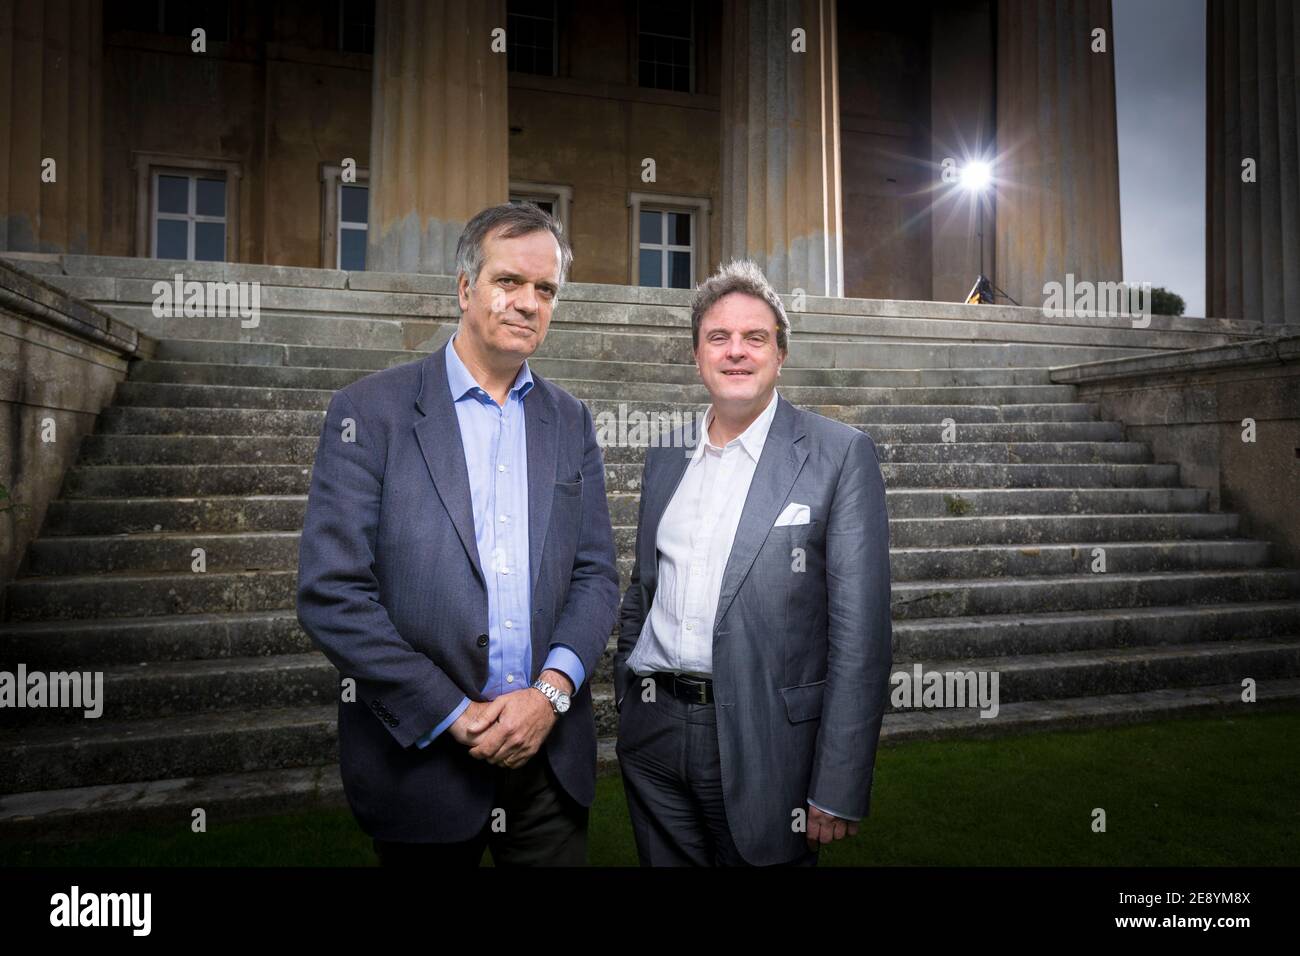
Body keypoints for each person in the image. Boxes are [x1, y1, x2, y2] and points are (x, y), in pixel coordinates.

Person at [297, 202, 619, 866]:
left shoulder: (571, 421)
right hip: (423, 761)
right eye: (510, 282)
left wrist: (549, 693)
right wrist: (455, 712)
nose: (529, 303)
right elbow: (332, 592)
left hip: (548, 762)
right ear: (466, 288)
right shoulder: (369, 412)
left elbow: (595, 577)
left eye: (546, 289)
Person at [614, 259, 893, 866]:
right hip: (654, 736)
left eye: (754, 337)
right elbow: (645, 587)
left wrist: (839, 785)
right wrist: (629, 694)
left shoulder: (839, 455)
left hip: (765, 746)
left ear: (780, 354)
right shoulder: (666, 453)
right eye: (719, 337)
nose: (735, 352)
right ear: (697, 356)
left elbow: (861, 637)